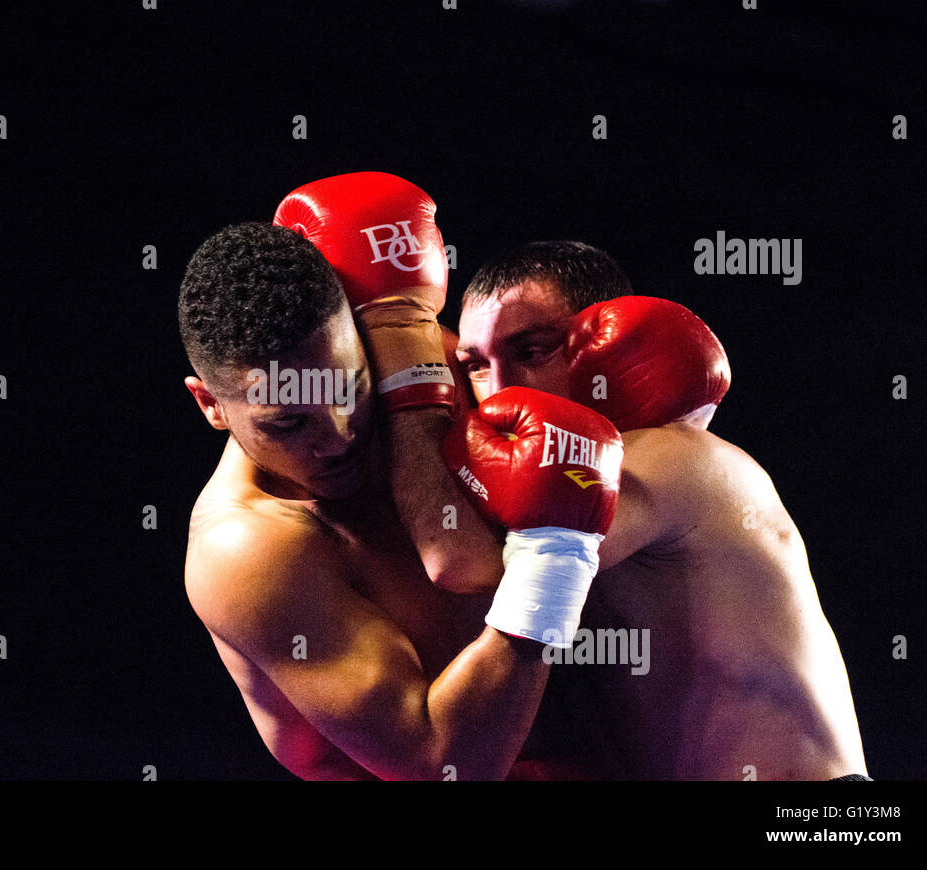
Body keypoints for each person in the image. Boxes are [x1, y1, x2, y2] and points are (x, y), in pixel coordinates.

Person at [178, 202, 623, 780]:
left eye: (352, 389)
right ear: (210, 404)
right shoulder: (247, 551)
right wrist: (555, 553)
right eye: (288, 423)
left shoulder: (414, 355)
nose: (338, 438)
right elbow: (442, 763)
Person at [448, 240, 870, 780]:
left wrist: (404, 382)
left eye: (532, 352)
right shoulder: (548, 489)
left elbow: (465, 567)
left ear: (606, 344)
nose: (501, 391)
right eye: (477, 366)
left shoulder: (674, 457)